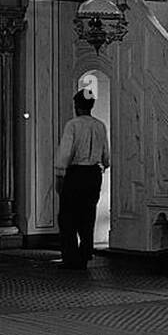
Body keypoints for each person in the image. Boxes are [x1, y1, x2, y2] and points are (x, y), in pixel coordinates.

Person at [54, 88, 110, 270]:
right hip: (94, 174)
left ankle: (70, 258)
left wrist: (60, 174)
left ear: (76, 105)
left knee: (67, 217)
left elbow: (65, 152)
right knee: (88, 215)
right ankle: (85, 253)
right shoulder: (100, 125)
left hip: (75, 174)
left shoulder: (73, 125)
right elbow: (106, 156)